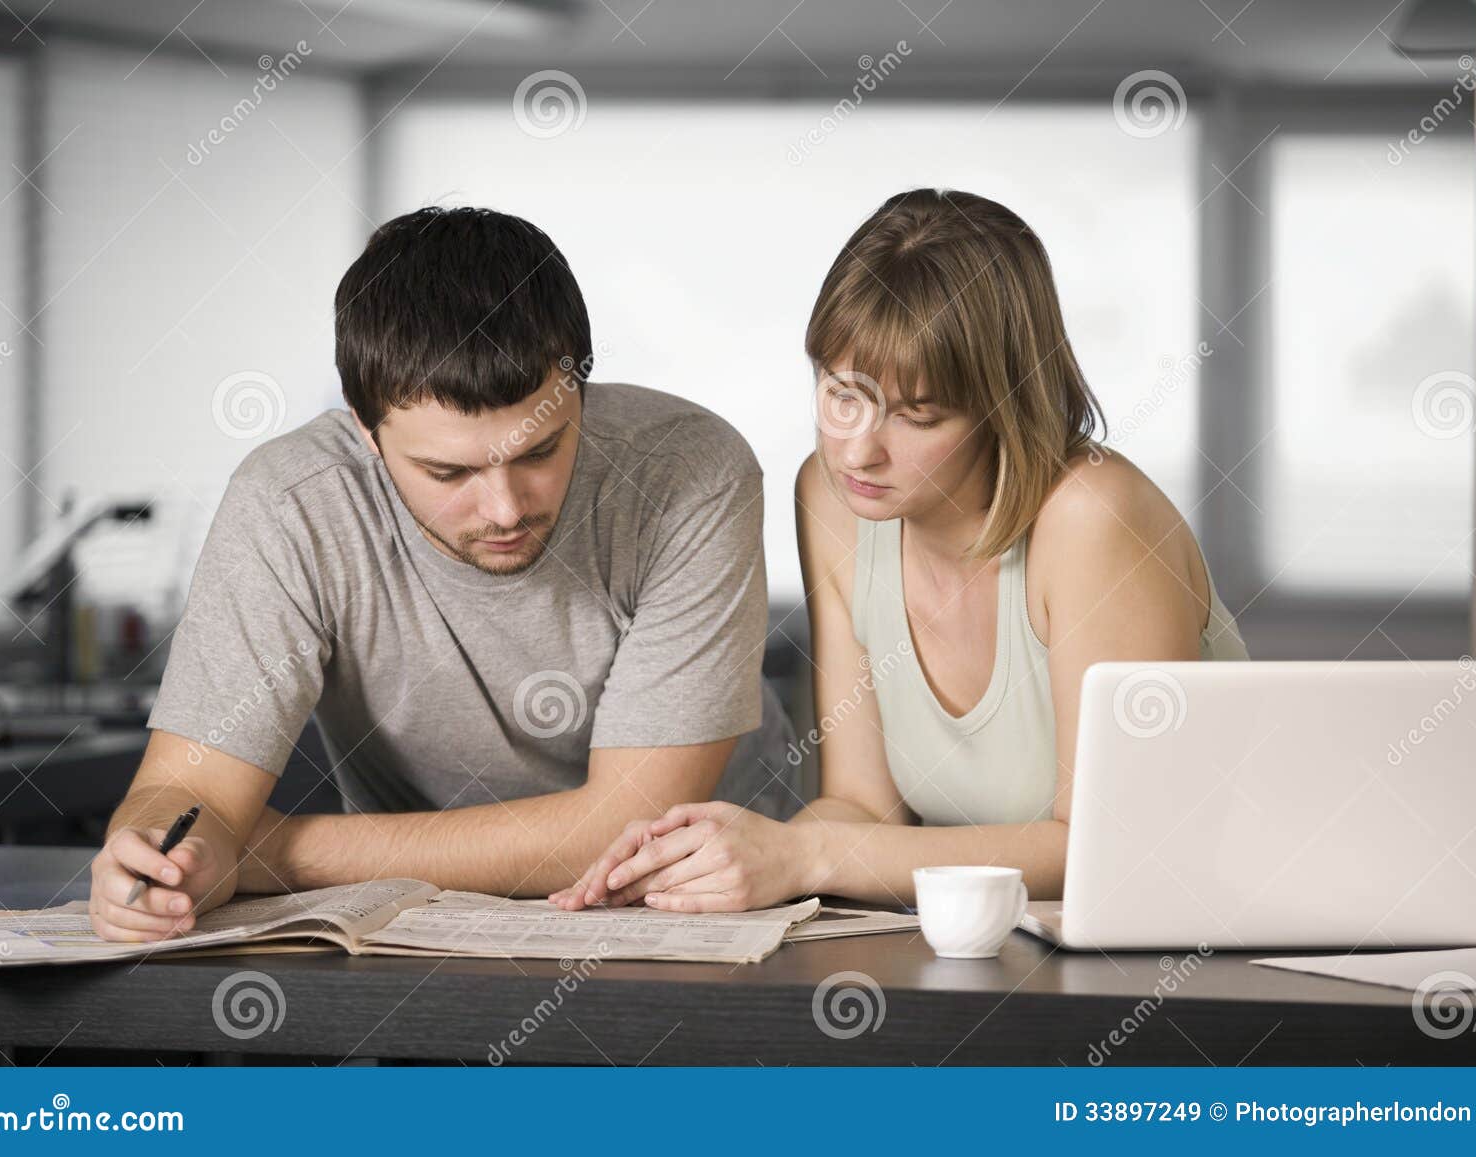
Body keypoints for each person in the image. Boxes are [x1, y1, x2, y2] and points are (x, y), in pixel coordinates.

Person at [89, 206, 796, 942]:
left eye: (539, 451)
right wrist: (159, 856)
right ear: (364, 429)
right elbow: (188, 791)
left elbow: (625, 829)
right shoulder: (291, 503)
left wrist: (264, 849)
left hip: (711, 922)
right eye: (447, 470)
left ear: (582, 391)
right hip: (422, 923)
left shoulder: (690, 472)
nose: (504, 507)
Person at [553, 188, 1249, 915]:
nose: (858, 448)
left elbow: (1110, 847)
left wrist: (806, 854)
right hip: (1014, 944)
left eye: (916, 415)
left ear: (1004, 407)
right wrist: (718, 857)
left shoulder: (1091, 517)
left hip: (1225, 939)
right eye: (841, 393)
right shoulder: (832, 499)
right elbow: (862, 806)